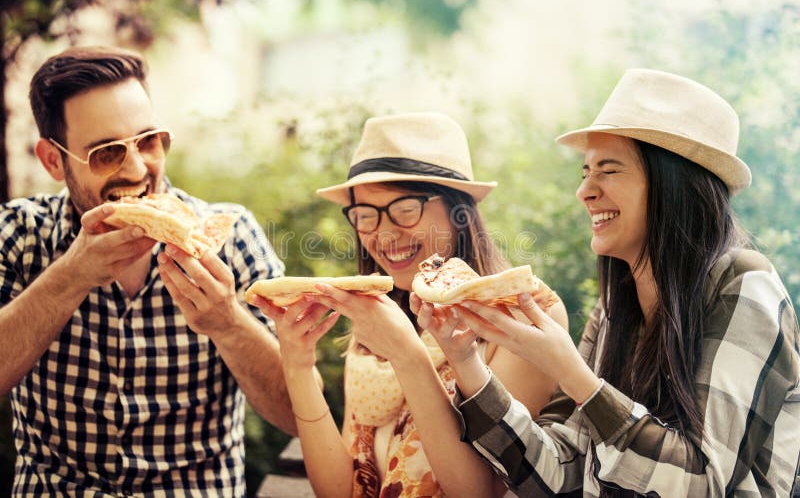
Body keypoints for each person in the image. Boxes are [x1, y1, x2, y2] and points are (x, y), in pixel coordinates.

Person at [421, 69, 800, 496]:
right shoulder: (614, 307)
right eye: (585, 171)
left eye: (609, 170)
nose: (585, 190)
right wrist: (467, 361)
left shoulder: (745, 285)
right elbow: (560, 475)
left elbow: (703, 482)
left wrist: (571, 372)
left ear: (674, 184)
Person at [0, 45, 296, 495]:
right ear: (52, 160)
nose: (137, 169)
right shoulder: (18, 235)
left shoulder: (230, 235)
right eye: (106, 153)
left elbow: (299, 414)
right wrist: (70, 277)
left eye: (148, 141)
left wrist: (229, 324)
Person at [251, 112, 569, 497]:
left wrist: (408, 356)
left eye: (404, 210)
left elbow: (479, 492)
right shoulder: (376, 320)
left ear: (459, 211)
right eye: (365, 216)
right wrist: (298, 367)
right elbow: (340, 490)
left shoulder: (525, 315)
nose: (384, 235)